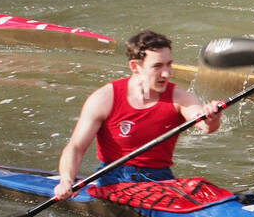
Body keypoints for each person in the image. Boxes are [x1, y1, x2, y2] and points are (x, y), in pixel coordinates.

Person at [54, 30, 222, 199]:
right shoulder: (104, 98)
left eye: (168, 64)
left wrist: (212, 116)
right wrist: (67, 180)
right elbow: (76, 147)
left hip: (160, 180)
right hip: (114, 180)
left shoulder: (179, 97)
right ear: (135, 67)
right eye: (157, 66)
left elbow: (207, 126)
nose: (166, 73)